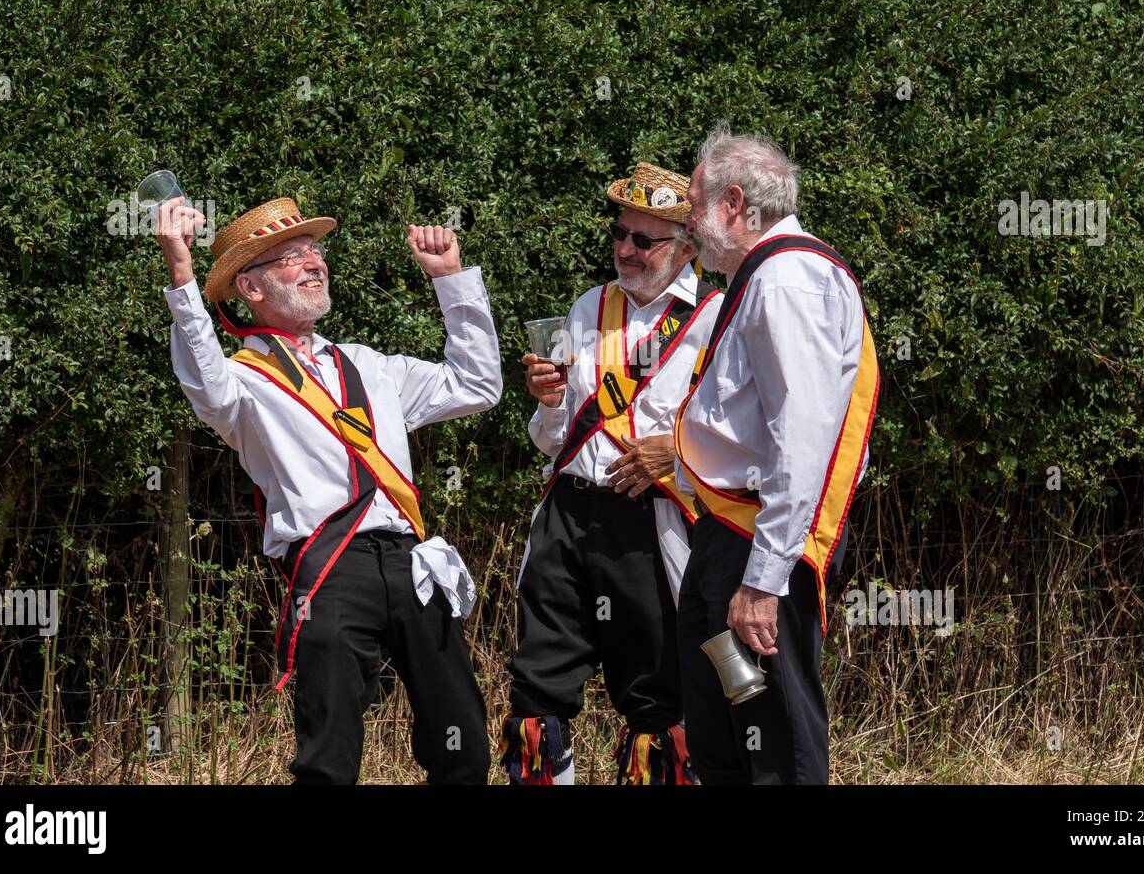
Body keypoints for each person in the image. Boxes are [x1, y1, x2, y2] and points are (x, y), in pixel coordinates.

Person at [155, 195, 502, 784]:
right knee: (328, 756)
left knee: (463, 743)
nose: (314, 262)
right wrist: (181, 271)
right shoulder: (243, 380)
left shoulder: (372, 365)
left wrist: (453, 283)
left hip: (413, 564)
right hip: (329, 570)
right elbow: (206, 383)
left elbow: (477, 384)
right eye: (292, 257)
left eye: (314, 249)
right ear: (252, 287)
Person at [499, 163, 722, 784]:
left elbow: (746, 432)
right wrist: (546, 402)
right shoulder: (589, 305)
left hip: (649, 522)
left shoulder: (718, 317)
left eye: (642, 240)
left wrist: (676, 456)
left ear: (685, 247)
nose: (625, 249)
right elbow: (554, 438)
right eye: (620, 234)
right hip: (569, 513)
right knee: (535, 690)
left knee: (656, 697)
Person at [673, 125, 880, 784]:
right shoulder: (763, 276)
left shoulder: (787, 280)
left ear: (734, 204)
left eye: (695, 206)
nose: (689, 224)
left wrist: (762, 582)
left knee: (773, 747)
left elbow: (803, 440)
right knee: (728, 730)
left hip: (758, 549)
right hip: (726, 543)